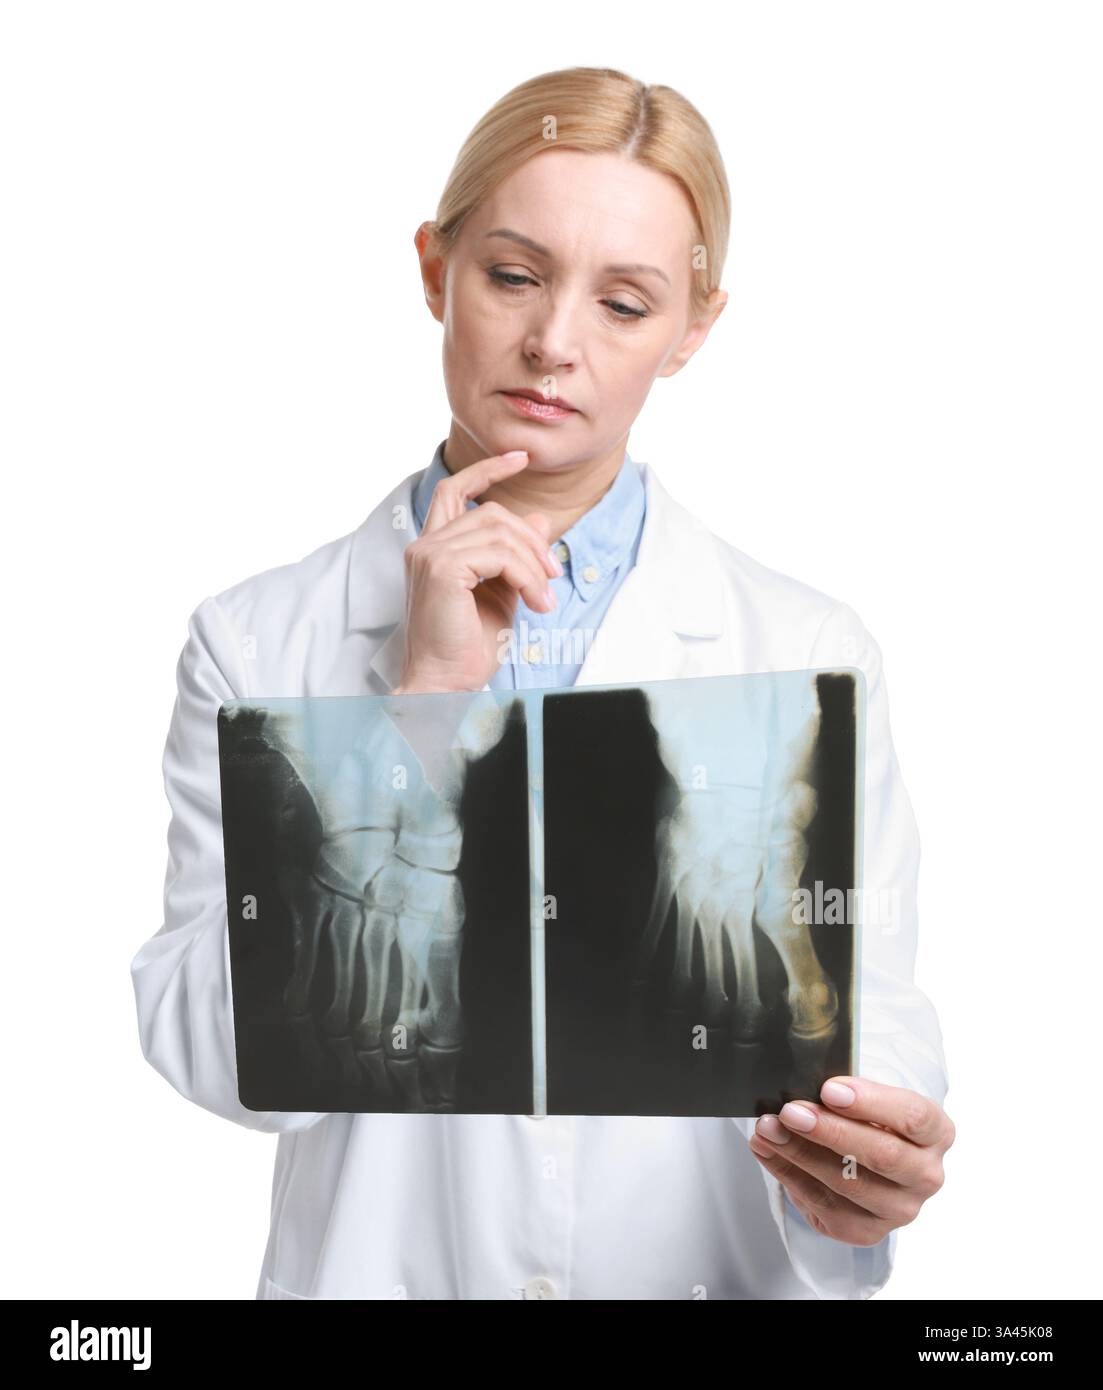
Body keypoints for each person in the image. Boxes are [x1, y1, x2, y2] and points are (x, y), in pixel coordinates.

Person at [130, 65, 953, 1300]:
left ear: (692, 329)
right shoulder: (257, 640)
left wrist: (870, 1149)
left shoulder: (801, 646)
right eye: (512, 275)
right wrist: (417, 713)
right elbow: (212, 1055)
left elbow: (867, 1003)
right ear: (432, 270)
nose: (552, 342)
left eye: (624, 303)